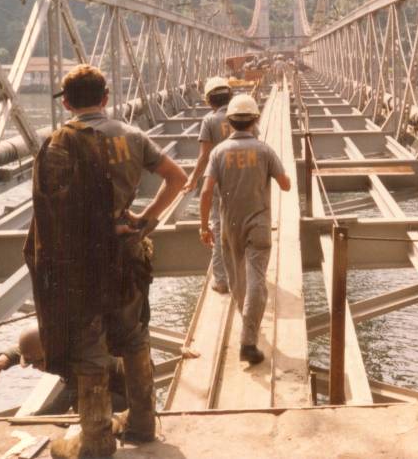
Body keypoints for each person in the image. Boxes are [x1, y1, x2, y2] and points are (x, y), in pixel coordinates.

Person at [24, 64, 186, 458]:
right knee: (133, 337)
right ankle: (144, 424)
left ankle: (96, 439)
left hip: (81, 264)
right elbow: (178, 178)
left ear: (65, 102)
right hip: (128, 255)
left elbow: (54, 213)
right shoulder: (132, 136)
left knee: (88, 345)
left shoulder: (59, 143)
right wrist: (144, 221)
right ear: (106, 97)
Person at [200, 94, 290, 365]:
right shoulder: (264, 150)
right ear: (256, 120)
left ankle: (247, 330)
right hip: (259, 225)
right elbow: (285, 184)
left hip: (229, 226)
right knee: (257, 281)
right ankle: (248, 341)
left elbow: (206, 193)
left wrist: (204, 226)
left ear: (229, 121)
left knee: (237, 280)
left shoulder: (218, 152)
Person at [0, 325, 127, 414]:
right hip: (104, 383)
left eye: (37, 363)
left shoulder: (78, 362)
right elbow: (23, 349)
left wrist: (32, 418)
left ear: (50, 355)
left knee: (82, 402)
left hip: (126, 398)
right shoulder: (57, 342)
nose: (34, 367)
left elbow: (60, 405)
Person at [183, 76, 234, 294]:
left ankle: (221, 280)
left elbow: (204, 156)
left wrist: (193, 179)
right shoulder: (242, 116)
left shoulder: (209, 120)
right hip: (244, 179)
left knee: (218, 226)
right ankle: (243, 277)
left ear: (209, 101)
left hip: (218, 180)